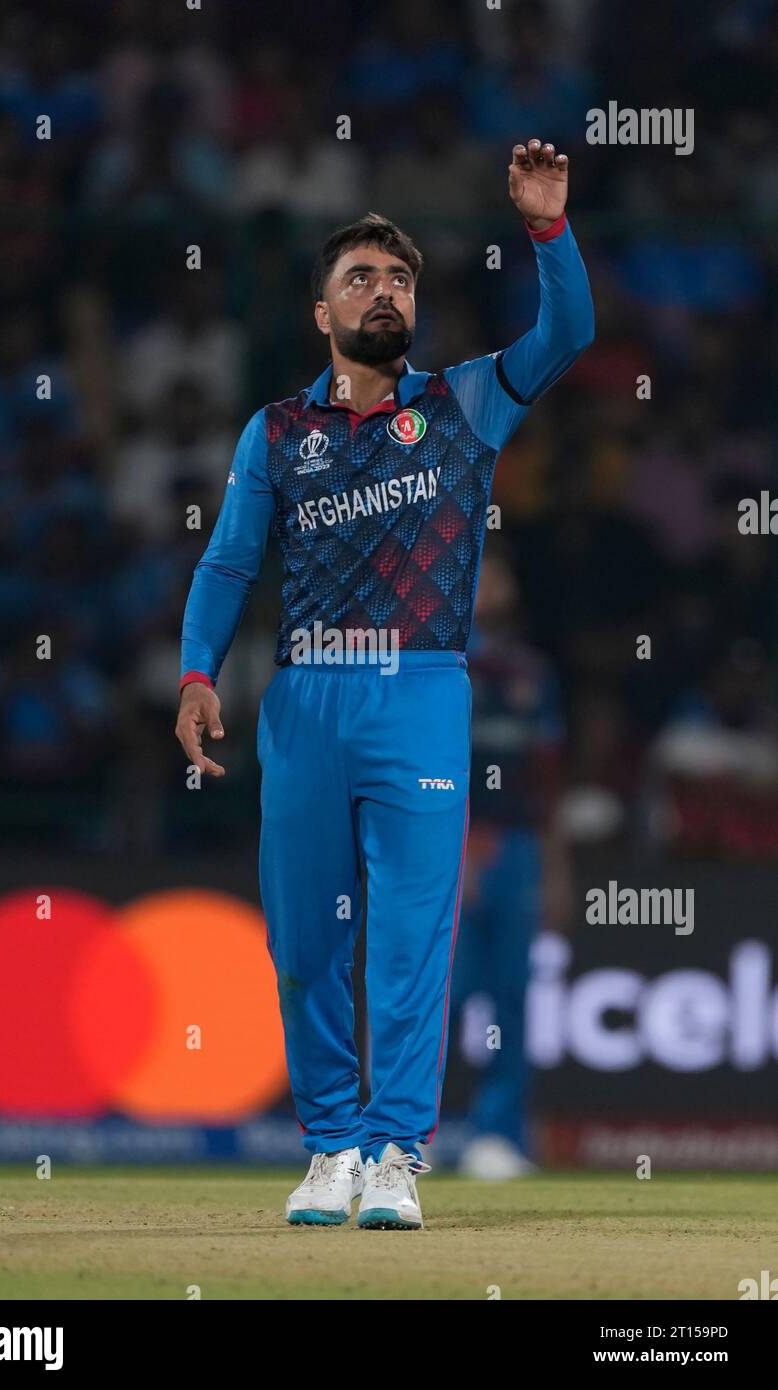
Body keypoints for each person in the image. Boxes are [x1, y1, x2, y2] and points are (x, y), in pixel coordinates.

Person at [176, 139, 593, 1230]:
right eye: (359, 278)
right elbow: (227, 561)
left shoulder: (464, 404)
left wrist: (545, 227)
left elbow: (568, 334)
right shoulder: (276, 432)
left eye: (398, 277)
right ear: (321, 313)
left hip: (417, 692)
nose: (382, 291)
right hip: (306, 699)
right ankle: (328, 1150)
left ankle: (397, 1153)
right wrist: (193, 674)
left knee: (410, 935)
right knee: (305, 941)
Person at [452, 545, 573, 1180]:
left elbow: (548, 780)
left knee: (512, 997)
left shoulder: (532, 671)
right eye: (481, 572)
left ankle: (497, 1135)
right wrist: (456, 842)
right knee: (438, 993)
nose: (493, 584)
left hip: (520, 847)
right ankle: (399, 1131)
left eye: (500, 572)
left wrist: (556, 868)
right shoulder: (440, 659)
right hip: (451, 845)